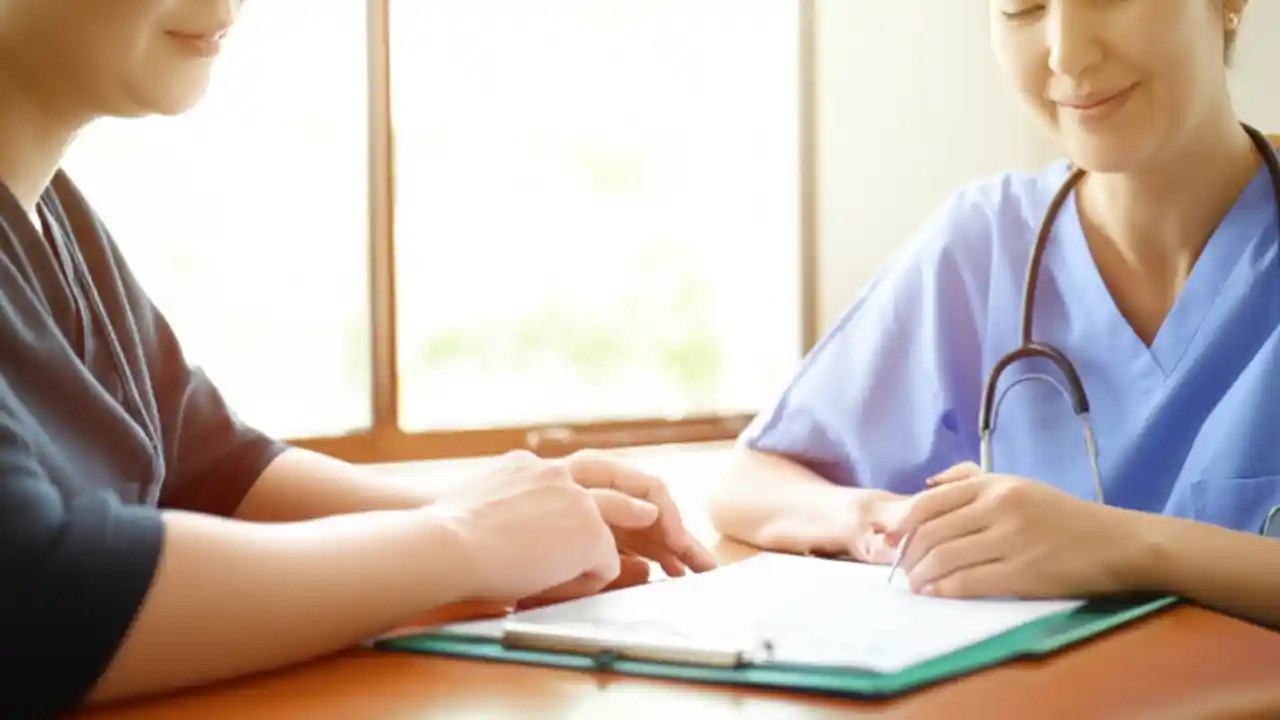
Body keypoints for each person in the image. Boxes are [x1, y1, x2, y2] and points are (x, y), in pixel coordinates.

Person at [0, 1, 716, 715]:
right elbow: (37, 600)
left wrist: (518, 517)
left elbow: (214, 469)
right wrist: (460, 542)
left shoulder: (54, 215)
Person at [711, 0, 1280, 628]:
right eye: (1022, 8)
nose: (1067, 52)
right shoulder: (985, 242)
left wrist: (1120, 548)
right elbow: (749, 483)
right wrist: (883, 521)